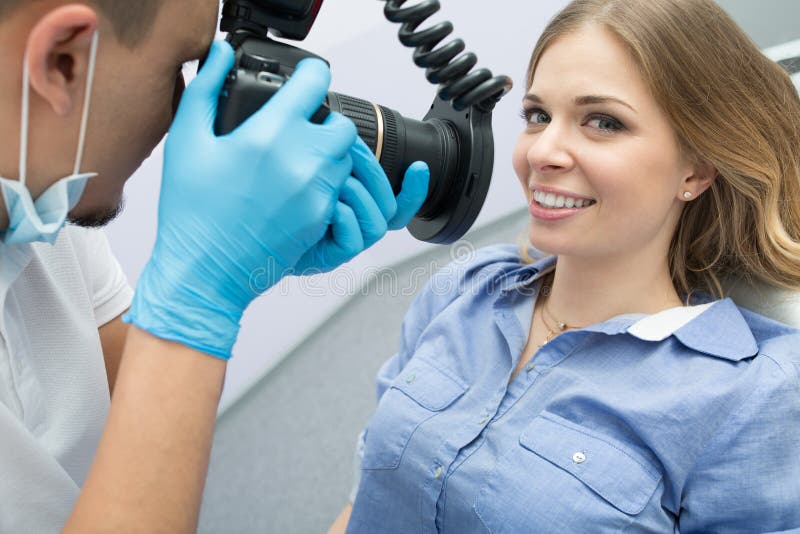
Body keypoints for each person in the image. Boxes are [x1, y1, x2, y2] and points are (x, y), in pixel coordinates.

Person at [330, 0, 800, 532]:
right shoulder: (463, 288)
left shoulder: (750, 398)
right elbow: (364, 497)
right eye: (538, 116)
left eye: (603, 122)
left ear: (696, 169)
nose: (541, 152)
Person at [0, 0, 429, 532]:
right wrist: (198, 296)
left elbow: (140, 403)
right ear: (61, 62)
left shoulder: (41, 203)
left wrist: (244, 268)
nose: (185, 111)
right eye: (178, 68)